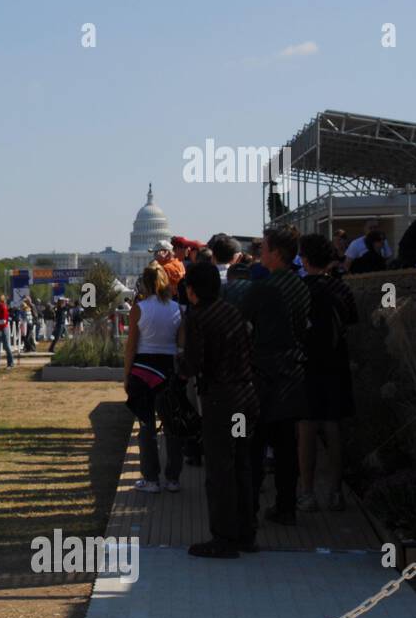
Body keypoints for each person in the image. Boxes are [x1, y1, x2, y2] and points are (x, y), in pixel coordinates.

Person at [178, 261, 259, 558]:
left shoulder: (198, 317)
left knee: (220, 468)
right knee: (242, 463)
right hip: (245, 396)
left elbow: (192, 363)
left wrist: (180, 365)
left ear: (192, 290)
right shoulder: (231, 311)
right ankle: (246, 532)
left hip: (220, 400)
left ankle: (223, 537)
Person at [242, 225, 309, 527]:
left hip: (264, 372)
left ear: (277, 254)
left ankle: (250, 507)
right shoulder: (300, 286)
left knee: (255, 445)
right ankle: (286, 507)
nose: (260, 254)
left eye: (265, 249)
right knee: (285, 446)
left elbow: (246, 326)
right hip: (293, 371)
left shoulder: (265, 288)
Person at [296, 233, 357, 513]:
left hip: (305, 365)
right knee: (334, 429)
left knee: (306, 429)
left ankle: (307, 493)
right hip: (336, 364)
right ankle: (335, 493)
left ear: (304, 260)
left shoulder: (298, 289)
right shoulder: (341, 289)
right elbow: (352, 323)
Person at [123, 263, 183, 493]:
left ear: (144, 284)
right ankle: (173, 478)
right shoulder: (178, 309)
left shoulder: (139, 308)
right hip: (168, 369)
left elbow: (131, 347)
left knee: (146, 426)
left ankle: (151, 478)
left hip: (143, 369)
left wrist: (126, 375)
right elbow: (181, 345)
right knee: (172, 426)